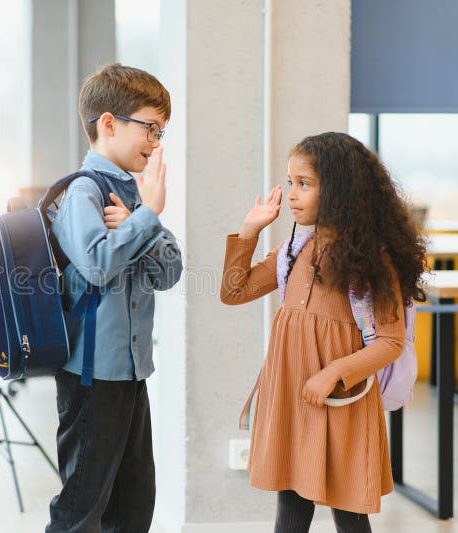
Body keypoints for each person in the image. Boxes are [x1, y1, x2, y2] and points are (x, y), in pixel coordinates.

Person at [220, 132, 427, 532]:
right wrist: (250, 231)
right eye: (291, 182)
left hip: (340, 401)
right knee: (291, 508)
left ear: (338, 190)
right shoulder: (293, 252)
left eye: (305, 184)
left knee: (349, 512)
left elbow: (389, 341)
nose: (292, 195)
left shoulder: (370, 260)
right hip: (294, 398)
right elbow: (234, 291)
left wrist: (333, 373)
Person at [46, 63, 184, 532]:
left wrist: (139, 218)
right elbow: (98, 264)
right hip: (90, 376)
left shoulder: (133, 194)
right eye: (149, 127)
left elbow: (169, 271)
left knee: (133, 504)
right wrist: (147, 217)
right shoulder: (82, 191)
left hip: (129, 372)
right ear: (109, 123)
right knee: (82, 507)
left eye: (161, 130)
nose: (156, 140)